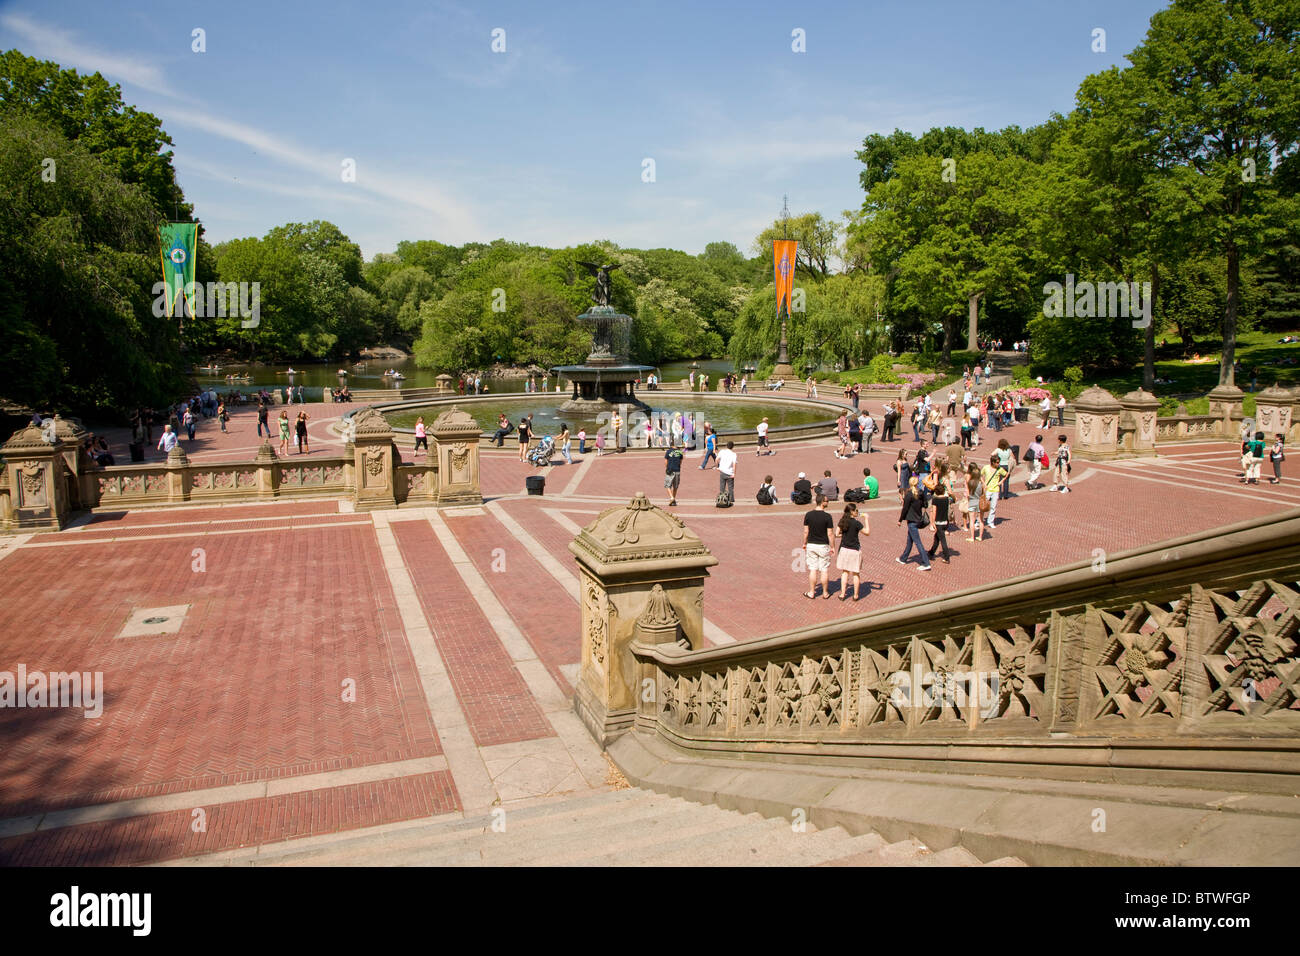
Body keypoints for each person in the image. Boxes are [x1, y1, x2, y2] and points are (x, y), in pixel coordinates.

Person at [802, 494, 837, 598]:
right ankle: (825, 593)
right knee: (824, 569)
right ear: (822, 502)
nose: (828, 503)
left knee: (813, 569)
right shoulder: (827, 516)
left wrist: (804, 543)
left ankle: (812, 592)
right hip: (823, 546)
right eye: (827, 501)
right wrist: (833, 546)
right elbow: (830, 534)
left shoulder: (808, 515)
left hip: (811, 544)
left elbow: (805, 532)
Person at [896, 477, 932, 571]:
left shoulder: (909, 494)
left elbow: (905, 508)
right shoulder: (920, 492)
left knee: (917, 542)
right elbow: (926, 504)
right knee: (910, 540)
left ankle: (926, 563)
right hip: (918, 519)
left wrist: (900, 520)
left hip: (911, 521)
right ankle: (903, 558)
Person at [836, 502, 868, 600]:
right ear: (852, 511)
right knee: (855, 573)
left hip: (844, 549)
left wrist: (845, 535)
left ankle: (842, 594)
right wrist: (866, 519)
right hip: (854, 550)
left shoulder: (842, 521)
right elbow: (867, 532)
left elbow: (836, 534)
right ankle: (855, 595)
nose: (857, 512)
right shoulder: (857, 523)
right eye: (856, 510)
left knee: (845, 572)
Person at [926, 474, 952, 564]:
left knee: (942, 540)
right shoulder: (946, 498)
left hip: (939, 522)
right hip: (945, 521)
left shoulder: (935, 499)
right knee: (937, 538)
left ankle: (946, 556)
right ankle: (931, 552)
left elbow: (934, 511)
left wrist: (932, 523)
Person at [981, 453, 1009, 528]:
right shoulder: (986, 467)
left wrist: (1001, 481)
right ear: (992, 462)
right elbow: (980, 475)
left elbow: (1006, 474)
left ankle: (990, 522)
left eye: (998, 462)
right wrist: (983, 483)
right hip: (987, 490)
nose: (998, 464)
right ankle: (979, 521)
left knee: (993, 507)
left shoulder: (1000, 469)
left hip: (995, 490)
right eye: (997, 462)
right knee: (983, 506)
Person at [664, 440, 684, 505]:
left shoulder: (668, 451)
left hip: (670, 470)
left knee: (667, 485)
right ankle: (674, 500)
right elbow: (681, 461)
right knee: (675, 486)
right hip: (677, 470)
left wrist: (667, 467)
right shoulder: (680, 452)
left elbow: (666, 461)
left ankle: (672, 497)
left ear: (671, 445)